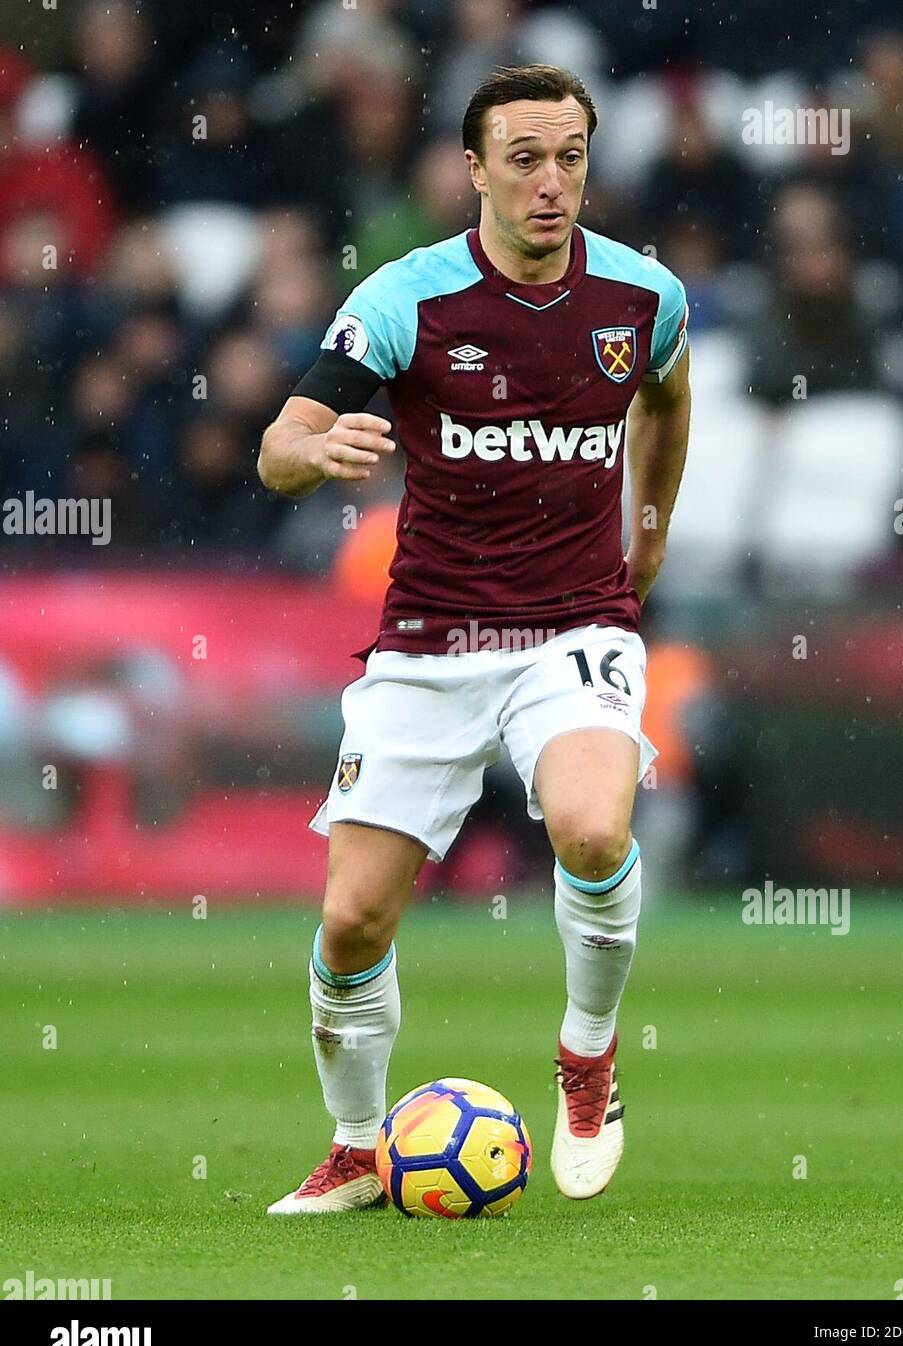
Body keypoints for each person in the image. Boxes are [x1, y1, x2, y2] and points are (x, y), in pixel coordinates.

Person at [257, 64, 691, 1212]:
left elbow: (668, 396)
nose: (552, 185)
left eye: (571, 159)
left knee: (595, 830)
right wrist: (320, 453)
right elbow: (277, 446)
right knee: (352, 919)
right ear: (475, 170)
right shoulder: (407, 300)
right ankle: (358, 1145)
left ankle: (587, 1059)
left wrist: (645, 540)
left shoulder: (645, 297)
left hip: (575, 626)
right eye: (525, 160)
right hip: (430, 637)